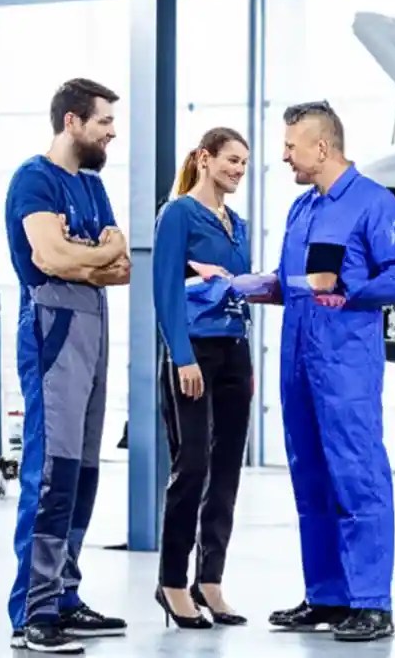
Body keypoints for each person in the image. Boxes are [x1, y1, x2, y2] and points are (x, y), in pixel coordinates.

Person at [253, 100, 395, 643]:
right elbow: (292, 283)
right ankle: (326, 596)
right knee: (310, 477)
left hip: (346, 364)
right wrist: (241, 285)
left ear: (321, 147)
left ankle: (372, 602)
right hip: (298, 361)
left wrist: (351, 294)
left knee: (357, 474)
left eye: (290, 145)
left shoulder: (374, 203)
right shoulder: (301, 210)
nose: (284, 156)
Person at [3, 78, 131, 654]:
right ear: (73, 122)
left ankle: (65, 596)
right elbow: (48, 256)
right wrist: (94, 255)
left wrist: (92, 261)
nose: (111, 131)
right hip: (52, 332)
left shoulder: (94, 187)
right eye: (104, 121)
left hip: (95, 330)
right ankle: (34, 612)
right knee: (51, 471)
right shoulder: (36, 179)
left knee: (83, 473)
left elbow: (122, 264)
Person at [151, 127, 255, 630]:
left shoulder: (240, 223)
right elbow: (166, 287)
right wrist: (182, 356)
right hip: (193, 352)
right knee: (191, 465)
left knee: (227, 468)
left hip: (236, 352)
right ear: (205, 159)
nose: (238, 170)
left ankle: (209, 580)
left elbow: (234, 286)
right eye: (231, 160)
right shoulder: (177, 215)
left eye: (244, 163)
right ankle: (172, 581)